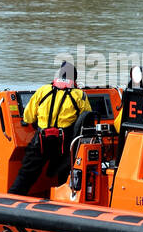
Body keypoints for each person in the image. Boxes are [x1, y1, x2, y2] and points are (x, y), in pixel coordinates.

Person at [10, 61, 91, 195]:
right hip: (64, 145)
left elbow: (28, 117)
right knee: (64, 175)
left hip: (41, 141)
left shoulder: (43, 91)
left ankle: (11, 201)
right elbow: (86, 120)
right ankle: (61, 202)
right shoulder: (79, 95)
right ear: (74, 79)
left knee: (26, 175)